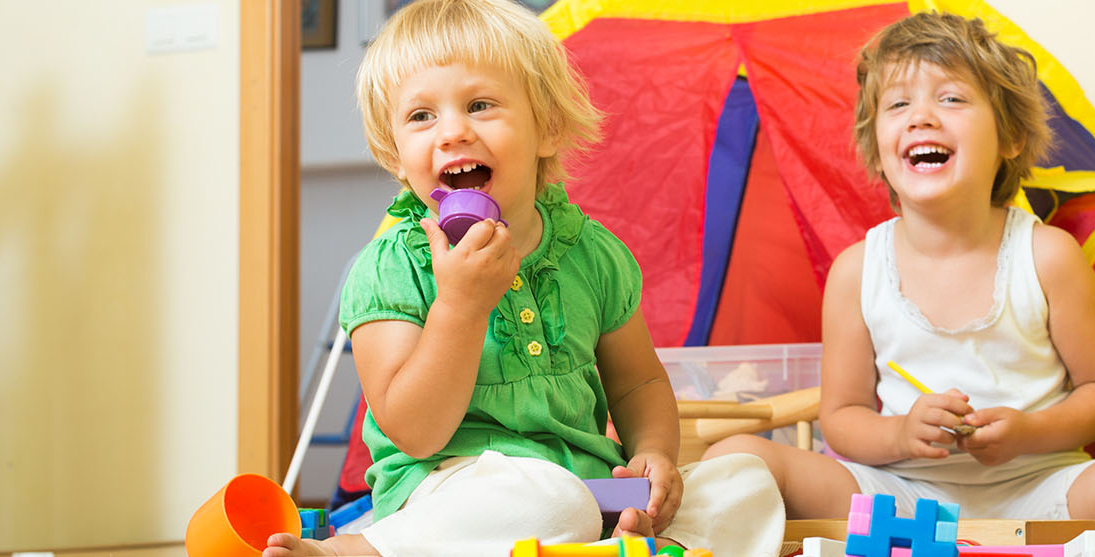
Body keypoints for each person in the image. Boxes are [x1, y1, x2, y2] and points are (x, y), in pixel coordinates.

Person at [703, 11, 1095, 557]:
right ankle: (716, 543)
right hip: (899, 499)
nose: (921, 117)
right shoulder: (858, 269)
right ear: (878, 147)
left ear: (1011, 139)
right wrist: (902, 436)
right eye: (898, 104)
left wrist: (1028, 432)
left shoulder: (1046, 255)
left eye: (950, 98)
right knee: (738, 454)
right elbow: (843, 418)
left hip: (1040, 492)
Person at [265, 0, 783, 555]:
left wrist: (653, 454)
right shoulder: (392, 266)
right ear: (396, 154)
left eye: (480, 104)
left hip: (594, 489)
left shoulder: (592, 252)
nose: (451, 132)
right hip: (457, 487)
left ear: (548, 129)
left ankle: (634, 541)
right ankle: (361, 550)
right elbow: (414, 432)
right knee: (549, 503)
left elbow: (639, 383)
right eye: (421, 116)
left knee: (746, 481)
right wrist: (460, 306)